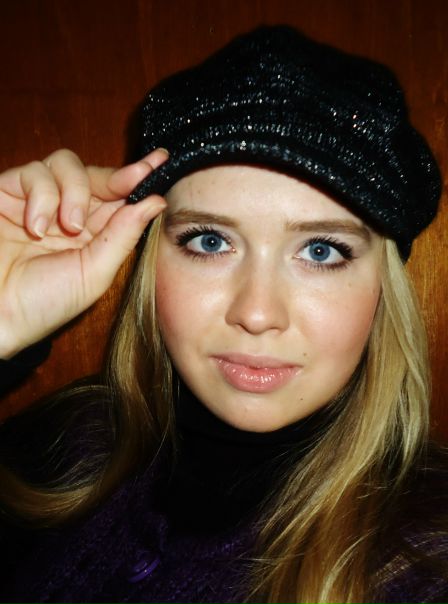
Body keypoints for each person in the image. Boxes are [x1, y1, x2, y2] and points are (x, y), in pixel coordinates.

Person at [0, 25, 447, 604]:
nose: (257, 314)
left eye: (320, 251)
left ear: (384, 289)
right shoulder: (60, 446)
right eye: (210, 241)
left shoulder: (426, 557)